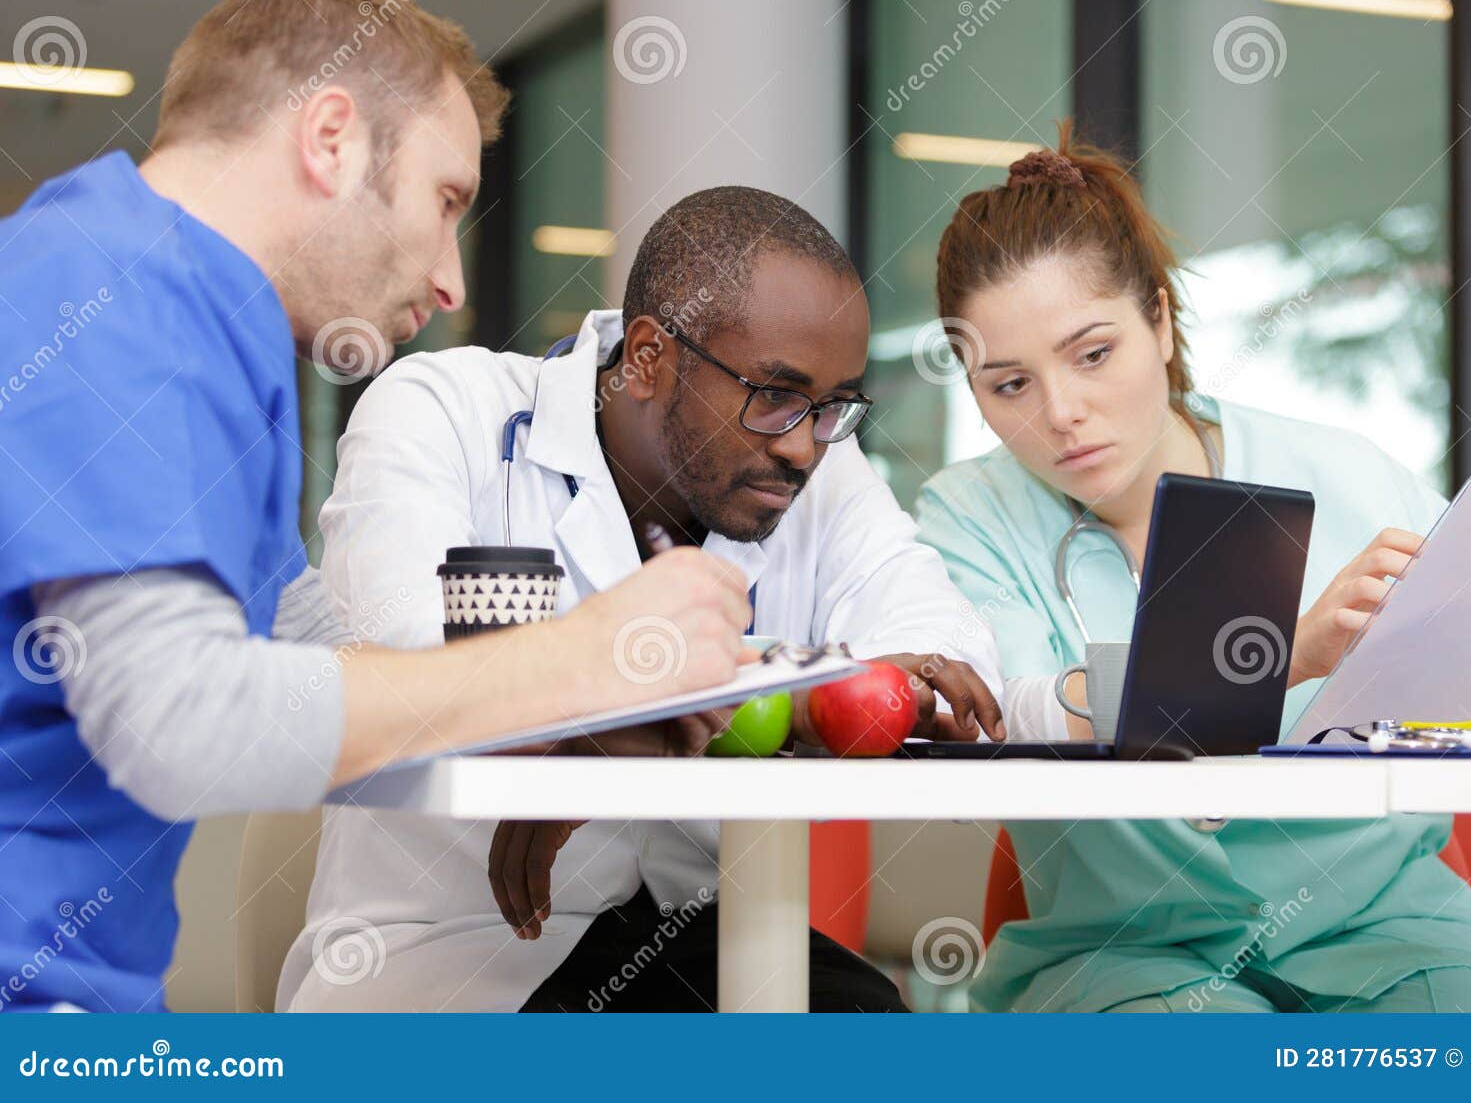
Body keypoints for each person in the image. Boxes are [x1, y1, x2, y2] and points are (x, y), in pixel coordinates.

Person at [0, 0, 748, 1014]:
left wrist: (574, 719)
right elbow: (180, 723)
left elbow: (320, 670)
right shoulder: (114, 295)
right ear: (331, 139)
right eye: (445, 201)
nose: (450, 279)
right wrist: (574, 660)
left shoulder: (190, 325)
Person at [278, 186, 1005, 1013]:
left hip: (707, 934)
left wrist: (653, 726)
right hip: (461, 947)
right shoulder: (446, 412)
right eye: (772, 396)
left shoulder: (815, 472)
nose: (805, 445)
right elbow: (409, 671)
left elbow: (938, 646)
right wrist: (627, 720)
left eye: (834, 405)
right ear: (652, 356)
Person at [914, 122, 1471, 1013]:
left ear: (1161, 319)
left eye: (1092, 353)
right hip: (1125, 955)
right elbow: (1008, 715)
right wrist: (1275, 655)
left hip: (1386, 931)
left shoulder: (1349, 474)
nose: (1062, 412)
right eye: (1009, 384)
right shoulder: (969, 516)